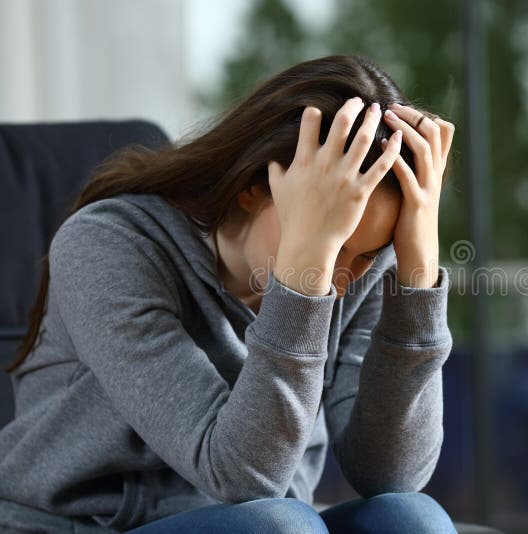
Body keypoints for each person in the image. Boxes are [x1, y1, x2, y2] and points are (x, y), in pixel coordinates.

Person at [0, 54, 457, 533]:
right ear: (251, 188)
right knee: (278, 528)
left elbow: (390, 475)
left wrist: (418, 277)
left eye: (366, 254)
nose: (341, 279)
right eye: (330, 237)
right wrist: (305, 273)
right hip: (87, 526)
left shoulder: (365, 264)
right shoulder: (105, 247)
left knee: (411, 520)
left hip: (260, 518)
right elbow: (244, 479)